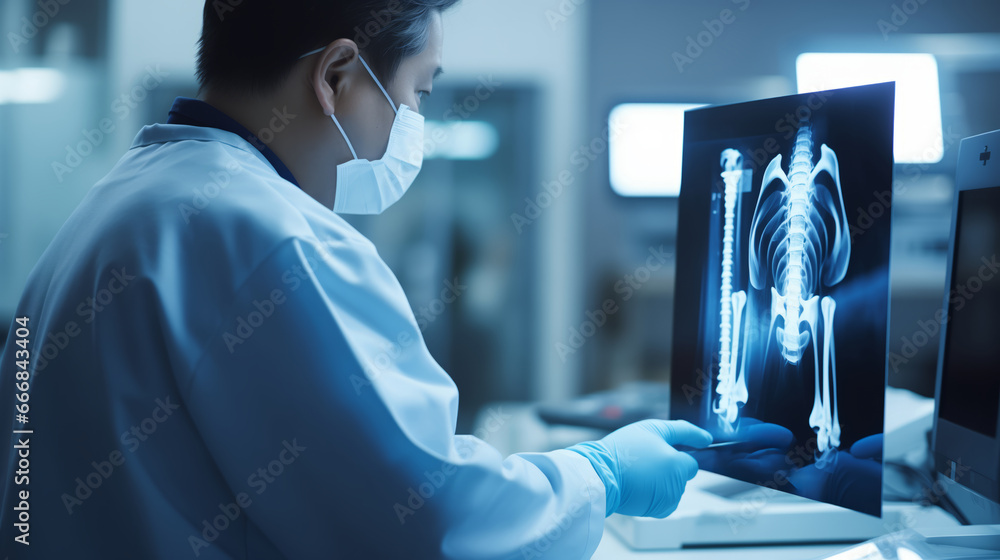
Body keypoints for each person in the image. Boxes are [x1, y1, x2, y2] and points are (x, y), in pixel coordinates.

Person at [0, 1, 711, 557]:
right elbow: (430, 525)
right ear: (337, 75)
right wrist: (600, 475)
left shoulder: (118, 201)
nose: (411, 128)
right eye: (418, 94)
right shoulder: (272, 240)